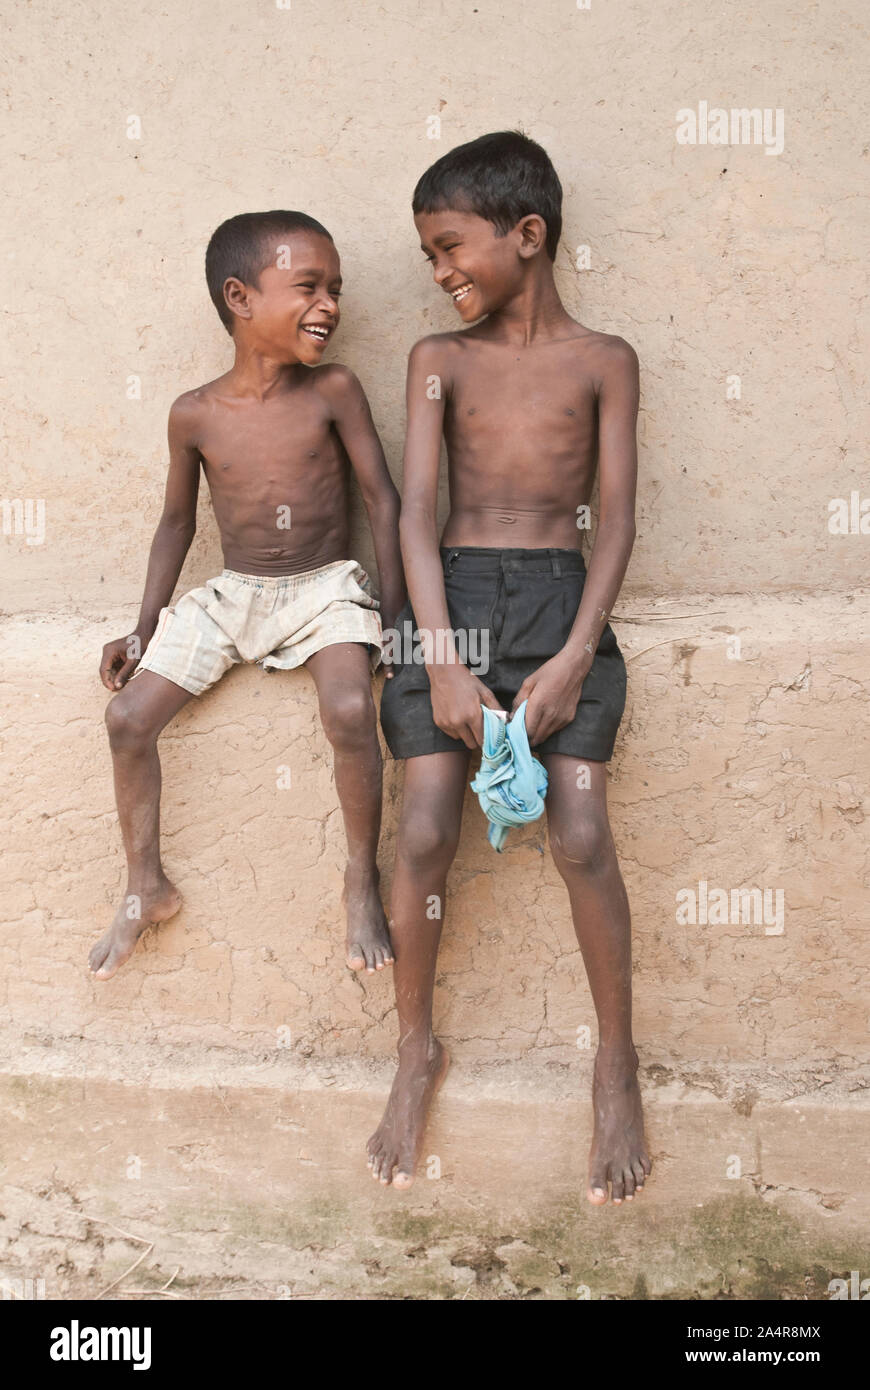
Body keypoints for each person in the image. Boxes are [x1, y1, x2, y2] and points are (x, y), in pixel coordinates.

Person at [369, 134, 651, 1205]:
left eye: (449, 248)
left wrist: (579, 651)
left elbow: (618, 519)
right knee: (430, 825)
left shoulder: (604, 362)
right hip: (452, 602)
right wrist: (440, 658)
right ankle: (414, 1047)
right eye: (429, 255)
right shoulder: (437, 361)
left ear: (527, 236)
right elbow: (414, 515)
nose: (439, 272)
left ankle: (615, 1061)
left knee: (580, 829)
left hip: (561, 603)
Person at [91, 211, 404, 981]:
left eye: (336, 288)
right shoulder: (194, 414)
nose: (331, 303)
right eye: (309, 287)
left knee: (348, 709)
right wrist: (142, 629)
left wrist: (398, 620)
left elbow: (384, 502)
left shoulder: (334, 390)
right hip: (235, 594)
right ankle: (145, 885)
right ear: (239, 297)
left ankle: (361, 879)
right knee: (127, 718)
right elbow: (174, 524)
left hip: (326, 588)